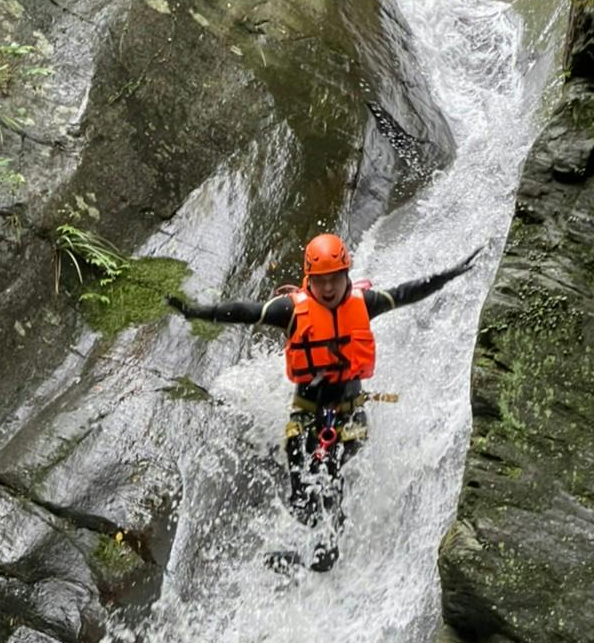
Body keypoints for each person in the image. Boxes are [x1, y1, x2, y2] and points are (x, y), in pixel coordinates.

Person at [167, 233, 479, 571]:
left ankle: (326, 555)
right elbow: (246, 311)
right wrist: (198, 312)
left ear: (347, 276)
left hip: (349, 415)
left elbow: (405, 293)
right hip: (307, 414)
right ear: (309, 280)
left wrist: (448, 275)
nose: (328, 288)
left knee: (330, 474)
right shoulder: (290, 311)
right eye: (320, 281)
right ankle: (304, 532)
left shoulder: (364, 303)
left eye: (335, 279)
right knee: (300, 482)